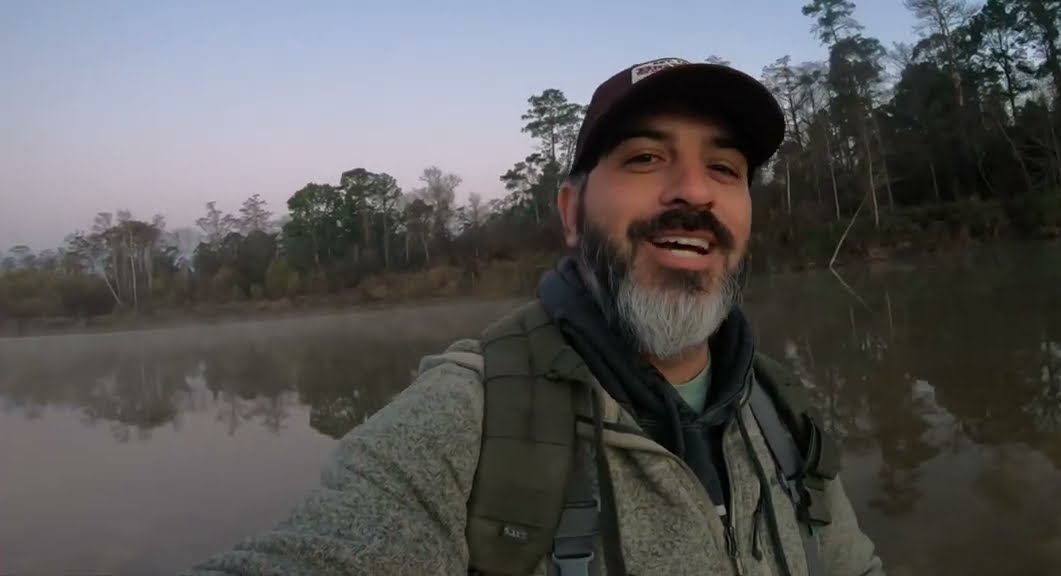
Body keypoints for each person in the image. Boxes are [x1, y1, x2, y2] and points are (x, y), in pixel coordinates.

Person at [183, 57, 885, 576]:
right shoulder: (467, 422)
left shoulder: (781, 408)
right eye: (645, 158)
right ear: (573, 214)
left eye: (726, 169)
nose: (694, 191)